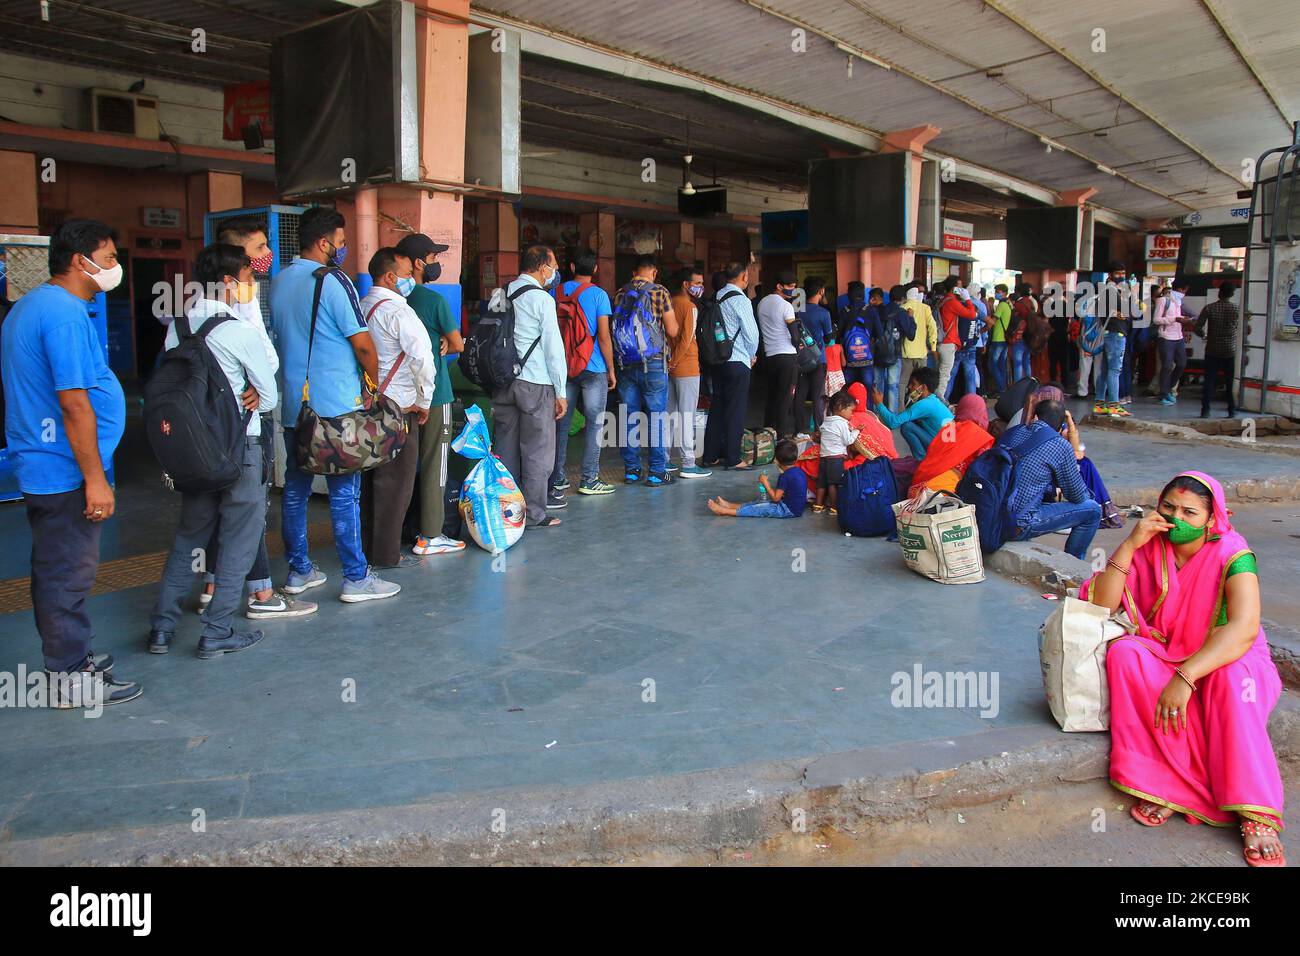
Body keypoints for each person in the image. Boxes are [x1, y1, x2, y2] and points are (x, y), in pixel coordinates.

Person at [1084, 472, 1285, 867]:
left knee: (1229, 681)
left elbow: (1243, 628)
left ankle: (1255, 813)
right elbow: (1104, 606)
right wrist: (1129, 543)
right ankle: (1171, 783)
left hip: (1229, 657)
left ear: (1213, 518)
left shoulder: (1233, 552)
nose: (1176, 518)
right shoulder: (1151, 544)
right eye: (1169, 508)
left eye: (1190, 512)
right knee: (1126, 654)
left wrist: (1187, 676)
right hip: (1169, 652)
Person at [1, 218, 140, 705]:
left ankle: (72, 657)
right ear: (80, 261)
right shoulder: (61, 313)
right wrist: (96, 479)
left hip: (48, 464)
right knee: (67, 572)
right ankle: (67, 677)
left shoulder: (33, 306)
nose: (113, 267)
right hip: (62, 470)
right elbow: (74, 402)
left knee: (58, 567)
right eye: (107, 257)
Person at [148, 244, 278, 658]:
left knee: (189, 537)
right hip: (241, 449)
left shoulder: (178, 327)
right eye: (246, 277)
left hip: (194, 449)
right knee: (240, 539)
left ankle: (162, 629)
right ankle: (218, 629)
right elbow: (271, 397)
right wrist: (255, 391)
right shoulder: (238, 331)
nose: (250, 285)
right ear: (227, 281)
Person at [271, 207, 399, 602]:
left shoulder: (277, 281)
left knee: (296, 490)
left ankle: (298, 571)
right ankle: (357, 578)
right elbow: (362, 344)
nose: (343, 251)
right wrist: (374, 386)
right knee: (345, 493)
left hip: (296, 403)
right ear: (324, 243)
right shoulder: (333, 280)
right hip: (336, 408)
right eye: (341, 244)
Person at [195, 217, 316, 620]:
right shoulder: (235, 301)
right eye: (260, 249)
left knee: (219, 501)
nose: (267, 256)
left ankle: (213, 584)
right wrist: (257, 387)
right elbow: (262, 359)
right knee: (250, 504)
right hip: (244, 419)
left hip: (215, 420)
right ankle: (260, 593)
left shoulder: (217, 300)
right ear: (237, 260)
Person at [358, 247, 436, 569]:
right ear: (390, 277)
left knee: (368, 480)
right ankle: (387, 555)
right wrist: (425, 399)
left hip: (367, 404)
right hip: (399, 408)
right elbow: (423, 359)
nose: (410, 280)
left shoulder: (361, 306)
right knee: (396, 483)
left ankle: (365, 548)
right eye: (406, 275)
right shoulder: (400, 312)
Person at [393, 233, 466, 556]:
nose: (437, 264)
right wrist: (450, 343)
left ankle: (396, 532)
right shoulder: (433, 300)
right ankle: (431, 534)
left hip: (399, 397)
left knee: (402, 466)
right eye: (434, 258)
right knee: (435, 464)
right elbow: (459, 343)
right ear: (419, 263)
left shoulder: (388, 299)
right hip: (434, 395)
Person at [495, 244, 568, 525]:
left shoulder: (501, 293)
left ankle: (506, 512)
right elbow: (553, 349)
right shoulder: (542, 300)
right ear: (542, 268)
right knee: (538, 452)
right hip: (535, 383)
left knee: (506, 450)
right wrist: (560, 391)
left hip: (503, 381)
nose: (555, 272)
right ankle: (535, 514)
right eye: (554, 266)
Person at [998, 399, 1101, 560]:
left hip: (991, 516)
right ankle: (1073, 565)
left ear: (1035, 417)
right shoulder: (1059, 445)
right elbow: (1078, 496)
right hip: (1017, 525)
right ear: (1061, 428)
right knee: (1093, 510)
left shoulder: (1013, 432)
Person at [550, 250, 618, 495]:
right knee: (594, 424)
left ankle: (557, 477)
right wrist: (611, 368)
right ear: (596, 269)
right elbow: (603, 336)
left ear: (570, 266)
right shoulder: (599, 295)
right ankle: (589, 479)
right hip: (593, 366)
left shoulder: (555, 292)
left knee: (561, 424)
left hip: (563, 367)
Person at [612, 255, 678, 486]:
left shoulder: (621, 293)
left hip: (626, 363)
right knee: (656, 416)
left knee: (628, 417)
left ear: (634, 273)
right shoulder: (660, 292)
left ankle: (631, 470)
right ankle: (657, 471)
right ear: (654, 272)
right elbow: (672, 330)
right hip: (654, 363)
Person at [700, 261, 759, 470]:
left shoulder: (717, 296)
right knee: (736, 409)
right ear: (744, 276)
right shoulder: (741, 300)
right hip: (737, 360)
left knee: (717, 407)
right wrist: (752, 355)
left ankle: (710, 456)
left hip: (717, 360)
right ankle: (733, 458)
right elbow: (751, 334)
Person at [666, 265, 711, 479]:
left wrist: (669, 362)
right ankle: (688, 462)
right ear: (686, 285)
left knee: (668, 415)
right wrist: (674, 361)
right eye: (698, 283)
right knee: (687, 416)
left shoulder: (669, 303)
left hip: (670, 368)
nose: (701, 287)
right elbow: (686, 339)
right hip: (687, 367)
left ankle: (663, 460)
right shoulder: (690, 307)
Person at [909, 392, 994, 496]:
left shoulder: (949, 428)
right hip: (944, 496)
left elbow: (935, 452)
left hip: (916, 488)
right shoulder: (982, 437)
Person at [707, 440, 808, 518]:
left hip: (787, 510)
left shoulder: (785, 476)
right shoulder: (799, 471)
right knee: (760, 504)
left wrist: (765, 483)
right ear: (796, 459)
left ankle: (724, 511)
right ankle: (729, 505)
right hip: (795, 507)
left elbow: (776, 498)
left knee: (758, 510)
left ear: (776, 461)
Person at [872, 367, 954, 460]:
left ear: (922, 387)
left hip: (944, 449)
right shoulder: (933, 400)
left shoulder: (924, 404)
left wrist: (879, 404)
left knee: (907, 426)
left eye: (913, 384)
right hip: (948, 446)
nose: (909, 387)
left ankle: (921, 462)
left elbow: (893, 423)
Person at [757, 269, 800, 438]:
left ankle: (767, 432)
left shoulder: (762, 303)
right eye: (790, 286)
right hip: (787, 356)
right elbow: (795, 336)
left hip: (769, 356)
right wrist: (799, 347)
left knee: (772, 395)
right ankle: (781, 435)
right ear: (779, 286)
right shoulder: (786, 306)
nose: (792, 290)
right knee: (785, 397)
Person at [812, 390, 869, 514]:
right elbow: (848, 440)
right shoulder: (842, 423)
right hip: (835, 459)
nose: (852, 415)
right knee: (834, 484)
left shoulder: (827, 421)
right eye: (851, 411)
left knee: (821, 482)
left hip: (823, 457)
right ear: (840, 408)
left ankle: (818, 505)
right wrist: (856, 431)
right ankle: (834, 507)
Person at [1093, 261, 1133, 418]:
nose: (1122, 276)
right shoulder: (1111, 291)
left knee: (1105, 370)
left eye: (1123, 273)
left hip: (1109, 333)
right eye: (1118, 273)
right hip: (1116, 334)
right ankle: (1114, 405)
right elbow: (1127, 312)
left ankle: (1099, 403)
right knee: (1115, 370)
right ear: (1110, 274)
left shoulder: (1108, 290)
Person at [794, 276, 833, 434]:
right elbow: (828, 337)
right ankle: (819, 430)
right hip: (819, 359)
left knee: (800, 395)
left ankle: (800, 429)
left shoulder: (797, 310)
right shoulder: (823, 313)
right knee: (818, 396)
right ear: (820, 291)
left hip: (800, 359)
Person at [1195, 282, 1239, 419]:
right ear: (1232, 294)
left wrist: (1204, 336)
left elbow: (1198, 328)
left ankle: (1205, 410)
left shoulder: (1209, 308)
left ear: (1219, 292)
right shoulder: (1236, 309)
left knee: (1209, 381)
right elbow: (1244, 328)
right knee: (1229, 381)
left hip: (1212, 349)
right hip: (1230, 350)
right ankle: (1231, 410)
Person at [1152, 277, 1193, 405]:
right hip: (1166, 337)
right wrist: (1175, 319)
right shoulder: (1163, 301)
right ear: (1181, 289)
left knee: (1181, 364)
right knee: (1167, 366)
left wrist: (1183, 319)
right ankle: (1163, 394)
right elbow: (1156, 320)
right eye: (1185, 290)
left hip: (1178, 336)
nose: (1185, 293)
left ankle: (1167, 388)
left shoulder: (1179, 302)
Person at [877, 285, 916, 412]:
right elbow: (911, 335)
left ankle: (877, 414)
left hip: (878, 353)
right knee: (893, 385)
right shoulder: (902, 313)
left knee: (878, 385)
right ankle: (891, 416)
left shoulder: (879, 310)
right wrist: (911, 318)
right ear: (903, 298)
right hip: (894, 353)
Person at [936, 276, 976, 399]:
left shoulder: (943, 300)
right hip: (948, 341)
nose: (962, 289)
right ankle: (940, 400)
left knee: (942, 373)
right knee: (945, 374)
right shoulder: (952, 302)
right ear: (954, 288)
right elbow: (972, 314)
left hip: (940, 341)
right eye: (960, 287)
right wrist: (968, 299)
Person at [899, 285, 938, 396]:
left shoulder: (902, 308)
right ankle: (918, 405)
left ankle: (901, 409)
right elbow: (932, 328)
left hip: (906, 353)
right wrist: (933, 346)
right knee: (922, 384)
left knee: (902, 383)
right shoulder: (925, 308)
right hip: (921, 353)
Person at [986, 284, 1012, 396]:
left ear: (1003, 292)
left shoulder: (1001, 305)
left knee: (992, 363)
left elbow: (993, 321)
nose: (995, 293)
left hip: (998, 338)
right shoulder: (1008, 305)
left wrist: (983, 329)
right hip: (1005, 339)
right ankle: (1003, 388)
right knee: (1001, 364)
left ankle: (1000, 388)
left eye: (997, 291)